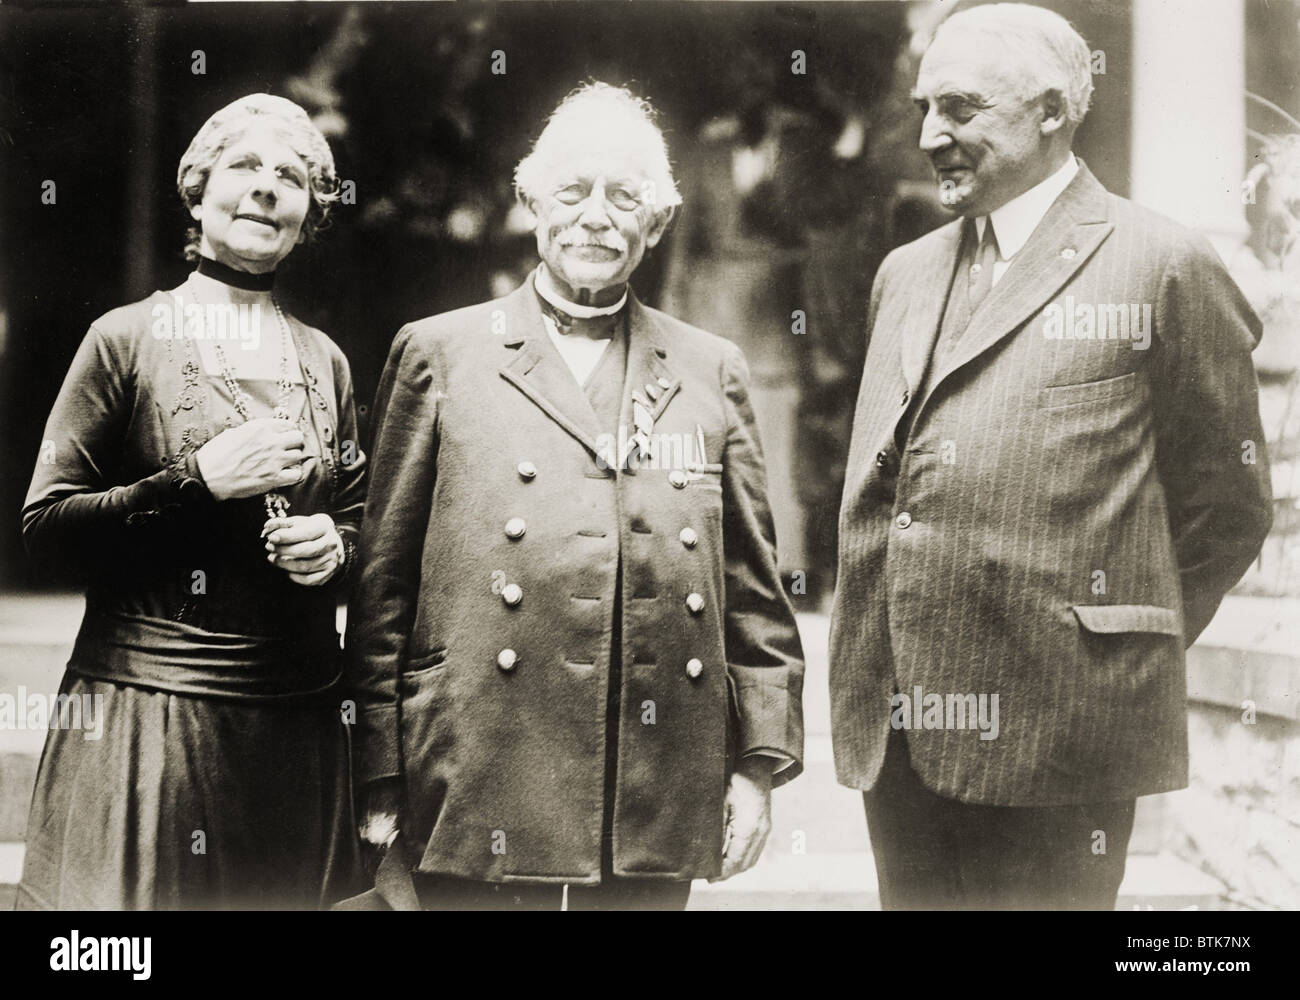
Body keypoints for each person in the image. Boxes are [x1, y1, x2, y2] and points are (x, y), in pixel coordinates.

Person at [829, 4, 1272, 910]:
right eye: (923, 109)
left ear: (1050, 111)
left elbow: (1227, 506)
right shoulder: (904, 274)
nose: (930, 136)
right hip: (901, 731)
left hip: (1062, 736)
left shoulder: (1164, 266)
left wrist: (1109, 647)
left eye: (959, 108)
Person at [343, 82, 804, 911]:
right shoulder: (441, 353)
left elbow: (754, 593)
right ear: (530, 205)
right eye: (574, 191)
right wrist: (379, 768)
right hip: (479, 758)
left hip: (651, 775)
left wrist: (758, 765)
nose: (597, 216)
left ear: (656, 223)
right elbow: (382, 586)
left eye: (625, 197)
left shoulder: (710, 368)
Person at [17, 93, 366, 910]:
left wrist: (335, 547)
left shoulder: (326, 360)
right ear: (199, 192)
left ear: (311, 212)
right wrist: (195, 484)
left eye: (290, 176)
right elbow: (46, 530)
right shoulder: (126, 338)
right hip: (149, 727)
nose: (266, 188)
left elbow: (361, 524)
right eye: (244, 166)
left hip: (297, 727)